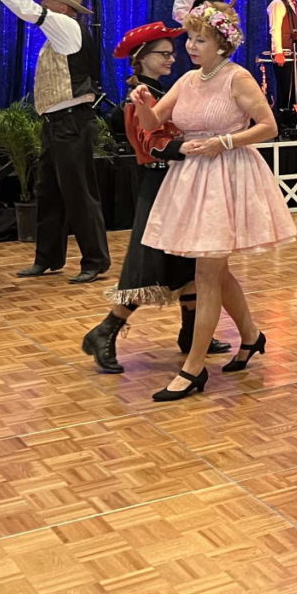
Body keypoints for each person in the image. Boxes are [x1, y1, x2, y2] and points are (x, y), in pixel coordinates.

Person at [135, 2, 295, 401]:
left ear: (222, 44)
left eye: (199, 39)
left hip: (228, 177)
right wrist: (140, 102)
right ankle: (252, 336)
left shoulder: (237, 78)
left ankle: (193, 367)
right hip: (193, 178)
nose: (190, 46)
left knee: (208, 272)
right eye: (189, 37)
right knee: (214, 270)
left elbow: (269, 127)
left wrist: (223, 142)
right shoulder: (188, 80)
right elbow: (154, 123)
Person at [80, 22, 231, 374]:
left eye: (171, 52)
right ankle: (105, 330)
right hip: (158, 183)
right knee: (149, 264)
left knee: (191, 259)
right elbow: (149, 144)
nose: (171, 58)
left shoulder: (161, 90)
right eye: (163, 53)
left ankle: (192, 333)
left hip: (177, 181)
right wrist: (185, 147)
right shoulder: (141, 97)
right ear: (141, 58)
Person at [0, 0, 110, 283]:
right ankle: (47, 258)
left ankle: (96, 260)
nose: (43, 4)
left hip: (72, 122)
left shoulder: (67, 27)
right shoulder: (58, 34)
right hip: (57, 123)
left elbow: (26, 9)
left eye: (49, 0)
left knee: (79, 193)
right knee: (50, 191)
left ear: (62, 7)